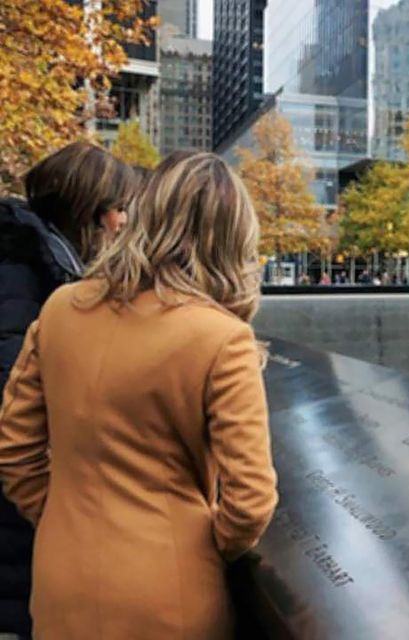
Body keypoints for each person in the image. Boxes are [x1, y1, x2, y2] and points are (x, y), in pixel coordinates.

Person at [0, 154, 278, 639]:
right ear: (234, 239)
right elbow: (250, 502)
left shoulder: (62, 308)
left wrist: (59, 515)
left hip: (61, 578)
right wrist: (200, 547)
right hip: (170, 594)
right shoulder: (223, 338)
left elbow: (14, 452)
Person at [0, 141, 138, 638]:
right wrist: (57, 515)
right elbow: (15, 420)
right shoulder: (22, 276)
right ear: (92, 213)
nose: (125, 224)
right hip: (15, 540)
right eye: (121, 209)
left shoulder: (39, 266)